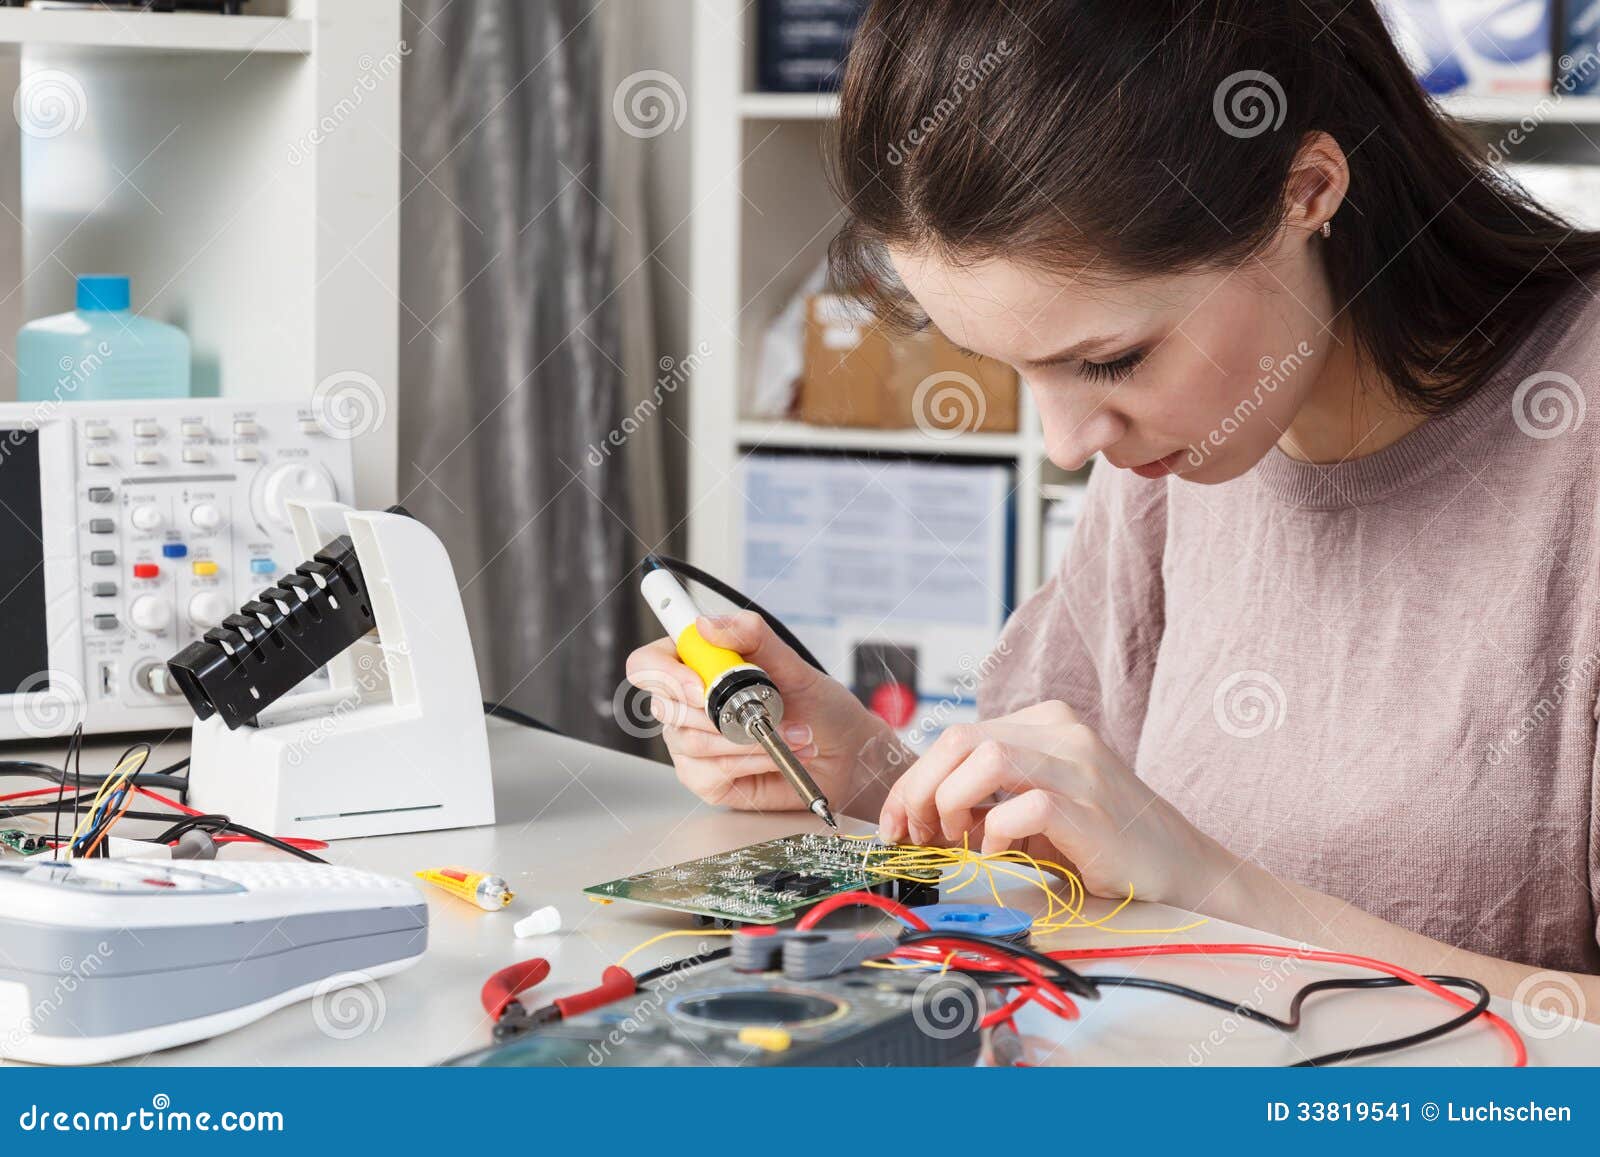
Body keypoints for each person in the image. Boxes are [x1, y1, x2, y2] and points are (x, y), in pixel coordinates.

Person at [628, 0, 1600, 1011]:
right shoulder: (1169, 456)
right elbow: (1071, 831)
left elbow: (1170, 864)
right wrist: (863, 765)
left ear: (1305, 190)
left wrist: (1214, 885)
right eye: (1013, 370)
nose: (1065, 442)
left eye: (1109, 359)